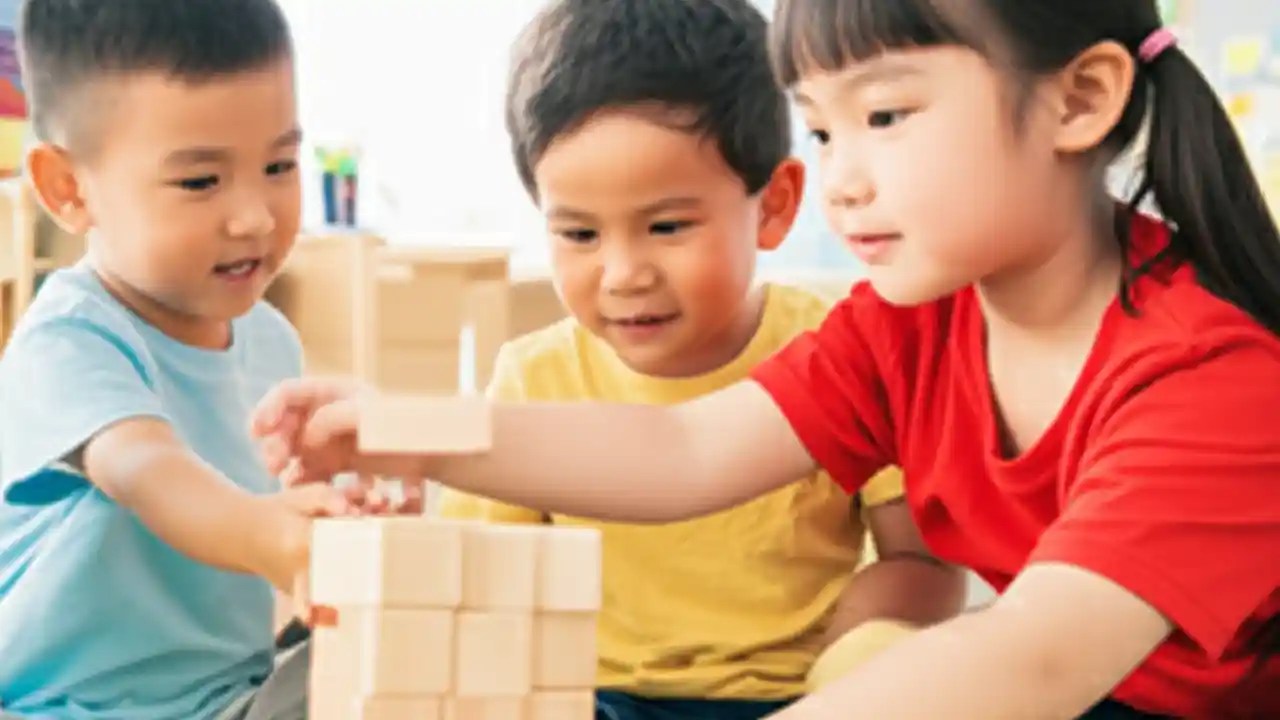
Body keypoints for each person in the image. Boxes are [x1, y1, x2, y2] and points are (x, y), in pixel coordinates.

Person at [253, 1, 1280, 718]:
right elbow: (682, 449)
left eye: (883, 116)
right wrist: (399, 428)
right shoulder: (908, 325)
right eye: (824, 130)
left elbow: (1034, 658)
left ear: (1078, 100)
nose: (841, 181)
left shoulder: (1212, 376)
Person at [435, 1, 965, 717]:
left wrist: (855, 658)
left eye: (666, 226)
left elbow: (921, 562)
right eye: (580, 234)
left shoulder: (837, 354)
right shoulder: (533, 378)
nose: (624, 272)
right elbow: (478, 589)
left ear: (773, 206)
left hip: (793, 700)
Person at [0, 1, 358, 718]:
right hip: (76, 708)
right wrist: (272, 536)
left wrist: (341, 509)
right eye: (201, 181)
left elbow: (281, 529)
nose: (254, 216)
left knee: (406, 666)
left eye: (278, 165)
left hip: (227, 697)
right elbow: (146, 469)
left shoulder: (268, 340)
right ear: (70, 190)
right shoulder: (70, 341)